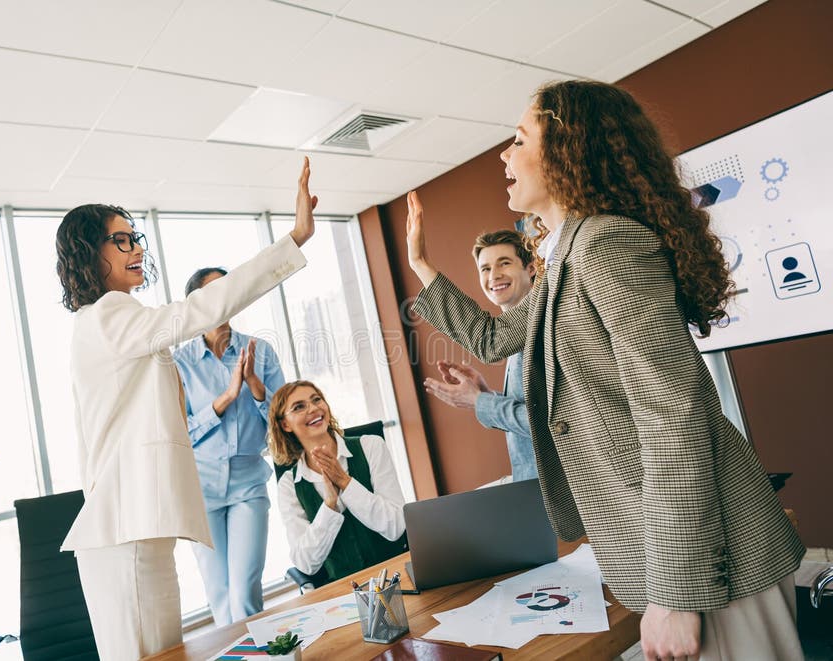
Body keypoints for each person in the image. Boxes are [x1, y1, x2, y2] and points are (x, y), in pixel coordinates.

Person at [404, 81, 804, 661]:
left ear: (566, 150)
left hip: (717, 562)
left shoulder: (604, 244)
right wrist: (420, 263)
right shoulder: (567, 254)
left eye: (518, 141)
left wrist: (675, 593)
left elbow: (675, 416)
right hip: (682, 554)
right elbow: (494, 338)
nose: (503, 156)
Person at [55, 158, 317, 660]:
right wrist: (295, 239)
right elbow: (200, 309)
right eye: (121, 240)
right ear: (91, 253)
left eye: (136, 238)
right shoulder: (110, 314)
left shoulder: (107, 322)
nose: (135, 249)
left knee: (165, 652)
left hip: (134, 528)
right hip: (125, 530)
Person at [173, 266, 284, 625]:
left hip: (248, 483)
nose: (227, 296)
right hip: (201, 488)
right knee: (220, 597)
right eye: (216, 291)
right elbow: (180, 433)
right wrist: (225, 398)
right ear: (196, 303)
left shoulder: (260, 351)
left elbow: (282, 422)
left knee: (245, 592)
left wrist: (254, 387)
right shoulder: (178, 363)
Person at [423, 228, 538, 482]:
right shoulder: (515, 334)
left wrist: (479, 402)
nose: (494, 275)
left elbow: (550, 422)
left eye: (504, 263)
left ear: (531, 268)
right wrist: (485, 394)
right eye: (485, 268)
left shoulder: (539, 331)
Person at [267, 380, 407, 583]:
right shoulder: (289, 484)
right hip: (344, 591)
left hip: (397, 574)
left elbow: (395, 526)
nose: (313, 408)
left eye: (317, 400)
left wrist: (345, 482)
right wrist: (330, 506)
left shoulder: (371, 447)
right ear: (285, 424)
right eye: (299, 407)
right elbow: (306, 563)